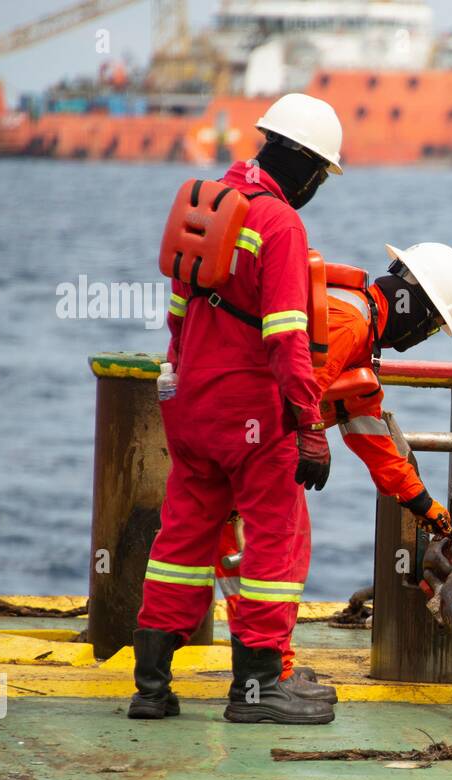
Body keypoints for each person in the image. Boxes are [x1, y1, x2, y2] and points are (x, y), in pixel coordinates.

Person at [129, 93, 344, 724]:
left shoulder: (204, 201)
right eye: (319, 176)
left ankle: (151, 688)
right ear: (303, 164)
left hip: (190, 404)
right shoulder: (279, 224)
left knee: (183, 537)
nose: (315, 190)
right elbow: (285, 337)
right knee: (276, 542)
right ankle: (256, 691)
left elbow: (175, 317)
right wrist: (309, 425)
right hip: (252, 413)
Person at [312, 242, 452, 530]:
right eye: (432, 326)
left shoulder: (362, 342)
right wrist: (311, 437)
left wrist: (422, 502)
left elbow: (372, 438)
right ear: (413, 306)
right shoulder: (349, 324)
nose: (425, 335)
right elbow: (287, 392)